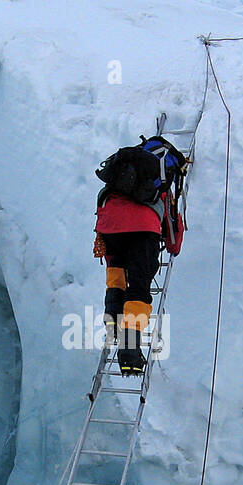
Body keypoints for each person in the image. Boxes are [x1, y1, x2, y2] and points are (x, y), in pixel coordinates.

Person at [91, 136, 187, 376]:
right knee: (139, 287)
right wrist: (171, 247)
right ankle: (130, 348)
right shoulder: (159, 182)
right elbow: (173, 232)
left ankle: (112, 323)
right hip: (142, 230)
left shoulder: (122, 172)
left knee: (116, 275)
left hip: (109, 225)